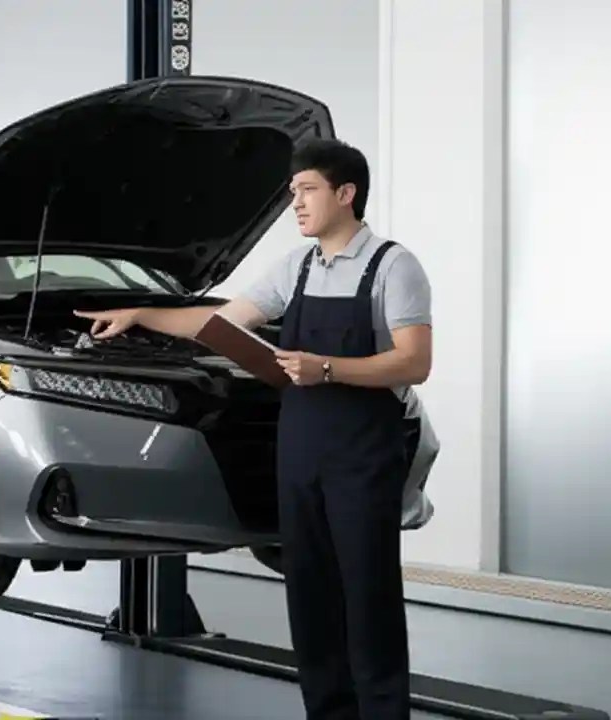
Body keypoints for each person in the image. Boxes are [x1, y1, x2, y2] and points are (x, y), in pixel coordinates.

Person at [75, 137, 431, 720]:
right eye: (293, 192)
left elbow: (415, 361)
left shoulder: (393, 266)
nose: (297, 203)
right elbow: (218, 321)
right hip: (300, 449)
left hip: (363, 453)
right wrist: (142, 314)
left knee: (368, 597)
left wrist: (328, 368)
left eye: (308, 190)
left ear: (347, 194)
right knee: (310, 597)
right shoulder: (296, 268)